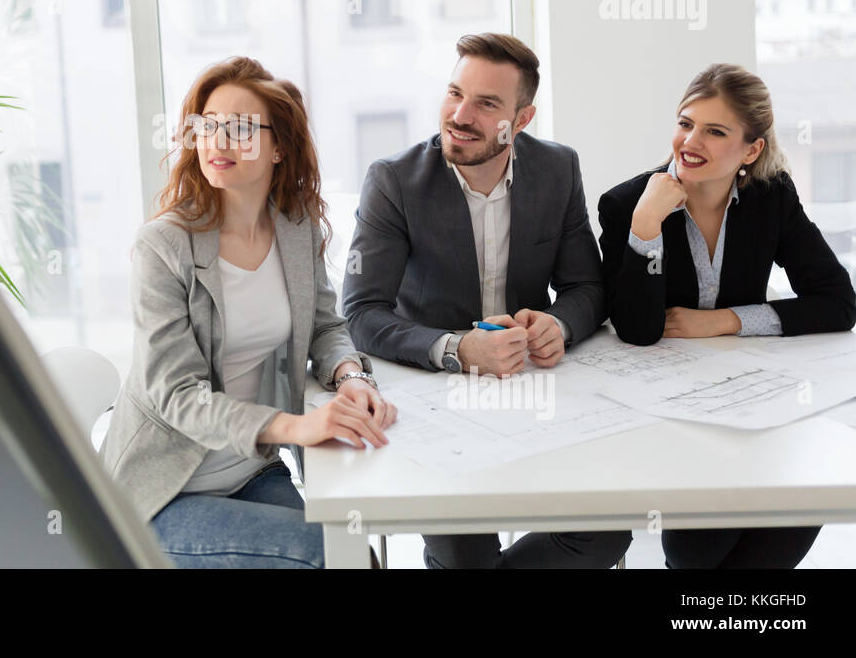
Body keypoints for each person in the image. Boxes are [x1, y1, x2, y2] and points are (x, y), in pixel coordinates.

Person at [343, 32, 629, 569]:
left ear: (521, 120)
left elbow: (587, 288)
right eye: (455, 93)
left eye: (486, 103)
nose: (460, 114)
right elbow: (360, 312)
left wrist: (557, 326)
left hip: (538, 393)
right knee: (463, 551)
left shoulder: (557, 168)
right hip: (437, 396)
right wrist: (457, 348)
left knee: (604, 532)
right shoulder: (394, 181)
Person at [100, 56, 398, 568]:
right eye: (207, 126)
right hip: (163, 497)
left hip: (251, 471)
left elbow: (325, 323)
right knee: (335, 559)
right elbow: (176, 395)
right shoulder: (163, 247)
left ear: (279, 147)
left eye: (239, 128)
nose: (217, 142)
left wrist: (351, 375)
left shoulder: (294, 226)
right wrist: (294, 426)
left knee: (354, 555)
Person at [598, 62, 855, 568]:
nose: (690, 141)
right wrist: (647, 225)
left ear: (751, 149)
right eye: (685, 123)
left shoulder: (771, 195)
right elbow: (639, 329)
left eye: (715, 131)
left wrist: (725, 320)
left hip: (754, 400)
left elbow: (838, 302)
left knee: (797, 509)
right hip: (666, 410)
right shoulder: (628, 203)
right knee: (702, 549)